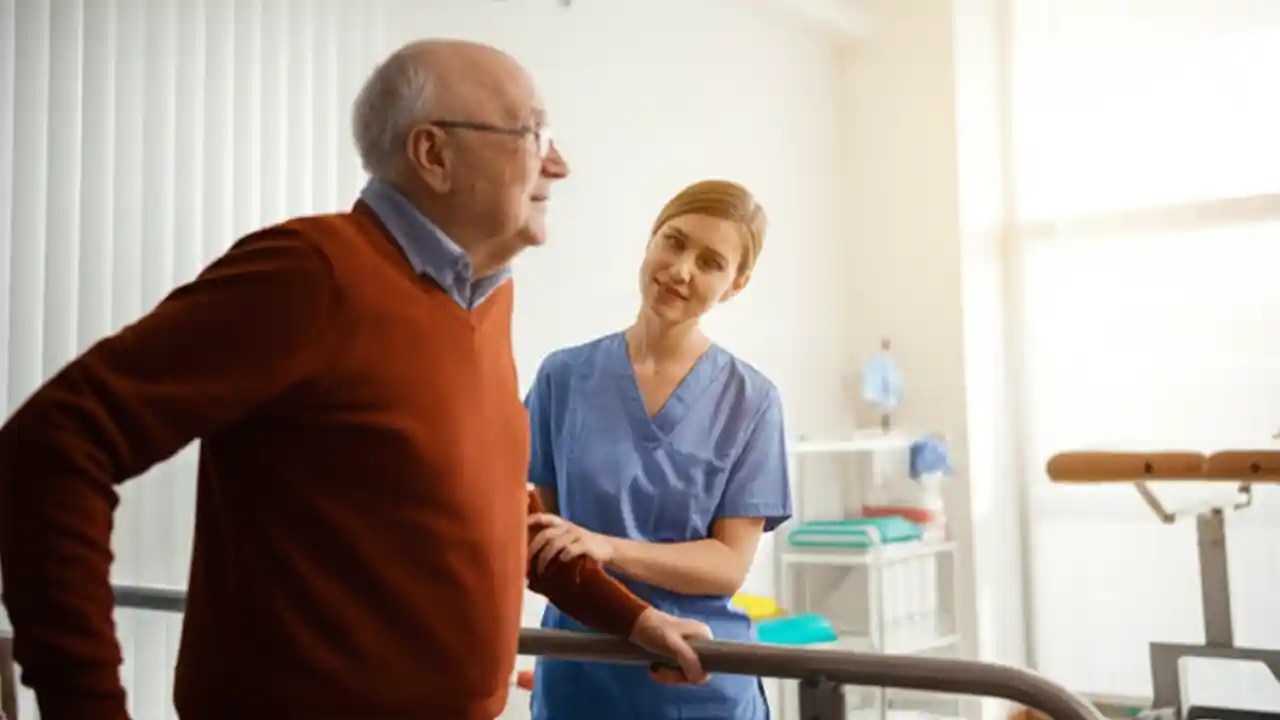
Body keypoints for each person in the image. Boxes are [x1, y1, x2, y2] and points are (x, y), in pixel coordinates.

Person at [0, 39, 710, 720]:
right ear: (434, 153)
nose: (558, 163)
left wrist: (634, 618)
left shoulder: (484, 301)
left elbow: (488, 510)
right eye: (531, 133)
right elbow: (50, 448)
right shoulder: (312, 273)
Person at [524, 179, 794, 719]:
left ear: (735, 284)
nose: (681, 269)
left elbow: (726, 566)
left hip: (695, 676)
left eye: (710, 261)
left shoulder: (751, 401)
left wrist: (608, 547)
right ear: (651, 241)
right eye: (674, 242)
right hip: (579, 671)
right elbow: (540, 539)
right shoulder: (563, 378)